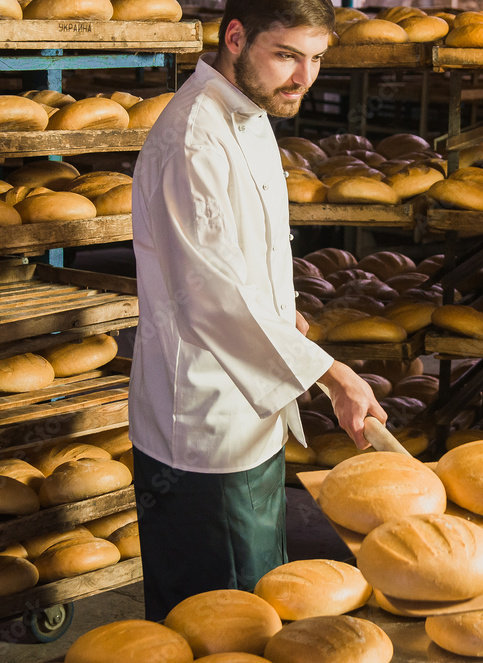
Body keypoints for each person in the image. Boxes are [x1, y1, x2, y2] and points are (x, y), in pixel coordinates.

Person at [129, 0, 386, 622]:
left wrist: (282, 308)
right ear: (235, 37)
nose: (303, 78)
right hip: (205, 419)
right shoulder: (196, 137)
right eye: (287, 55)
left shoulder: (247, 115)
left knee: (258, 599)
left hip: (253, 404)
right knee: (221, 616)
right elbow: (210, 299)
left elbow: (241, 253)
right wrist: (333, 375)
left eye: (316, 59)